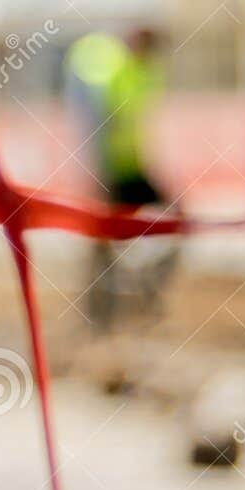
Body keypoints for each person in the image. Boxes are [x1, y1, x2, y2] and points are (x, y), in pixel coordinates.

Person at [64, 27, 171, 331]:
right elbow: (98, 124)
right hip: (110, 171)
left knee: (169, 224)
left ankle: (138, 295)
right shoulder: (113, 73)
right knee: (103, 239)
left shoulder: (144, 74)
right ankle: (99, 310)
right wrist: (99, 174)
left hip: (132, 168)